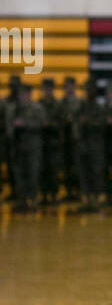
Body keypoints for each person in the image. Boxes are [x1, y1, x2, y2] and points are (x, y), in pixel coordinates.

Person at [7, 82, 45, 213]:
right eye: (21, 94)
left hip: (33, 147)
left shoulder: (37, 108)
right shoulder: (13, 109)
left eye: (25, 94)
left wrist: (25, 124)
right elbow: (8, 127)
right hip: (17, 147)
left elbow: (42, 125)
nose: (23, 96)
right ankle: (22, 201)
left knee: (32, 174)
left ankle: (33, 200)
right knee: (19, 175)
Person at [77, 80, 107, 214]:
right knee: (84, 173)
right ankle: (87, 198)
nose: (87, 92)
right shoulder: (81, 107)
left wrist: (88, 122)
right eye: (86, 89)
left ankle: (95, 199)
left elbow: (102, 125)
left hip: (95, 145)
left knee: (96, 172)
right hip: (83, 145)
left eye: (90, 90)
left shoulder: (99, 108)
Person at [38, 78, 63, 206]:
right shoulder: (38, 104)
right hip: (41, 142)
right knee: (42, 169)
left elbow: (61, 123)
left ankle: (53, 195)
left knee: (53, 170)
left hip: (53, 142)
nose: (47, 91)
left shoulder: (57, 105)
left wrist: (49, 124)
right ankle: (44, 195)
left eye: (49, 88)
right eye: (45, 88)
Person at [60, 76, 81, 202]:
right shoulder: (61, 103)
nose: (69, 88)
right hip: (64, 138)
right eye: (66, 86)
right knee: (66, 167)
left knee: (77, 167)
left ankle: (77, 192)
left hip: (76, 138)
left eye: (71, 86)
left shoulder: (79, 102)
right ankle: (68, 192)